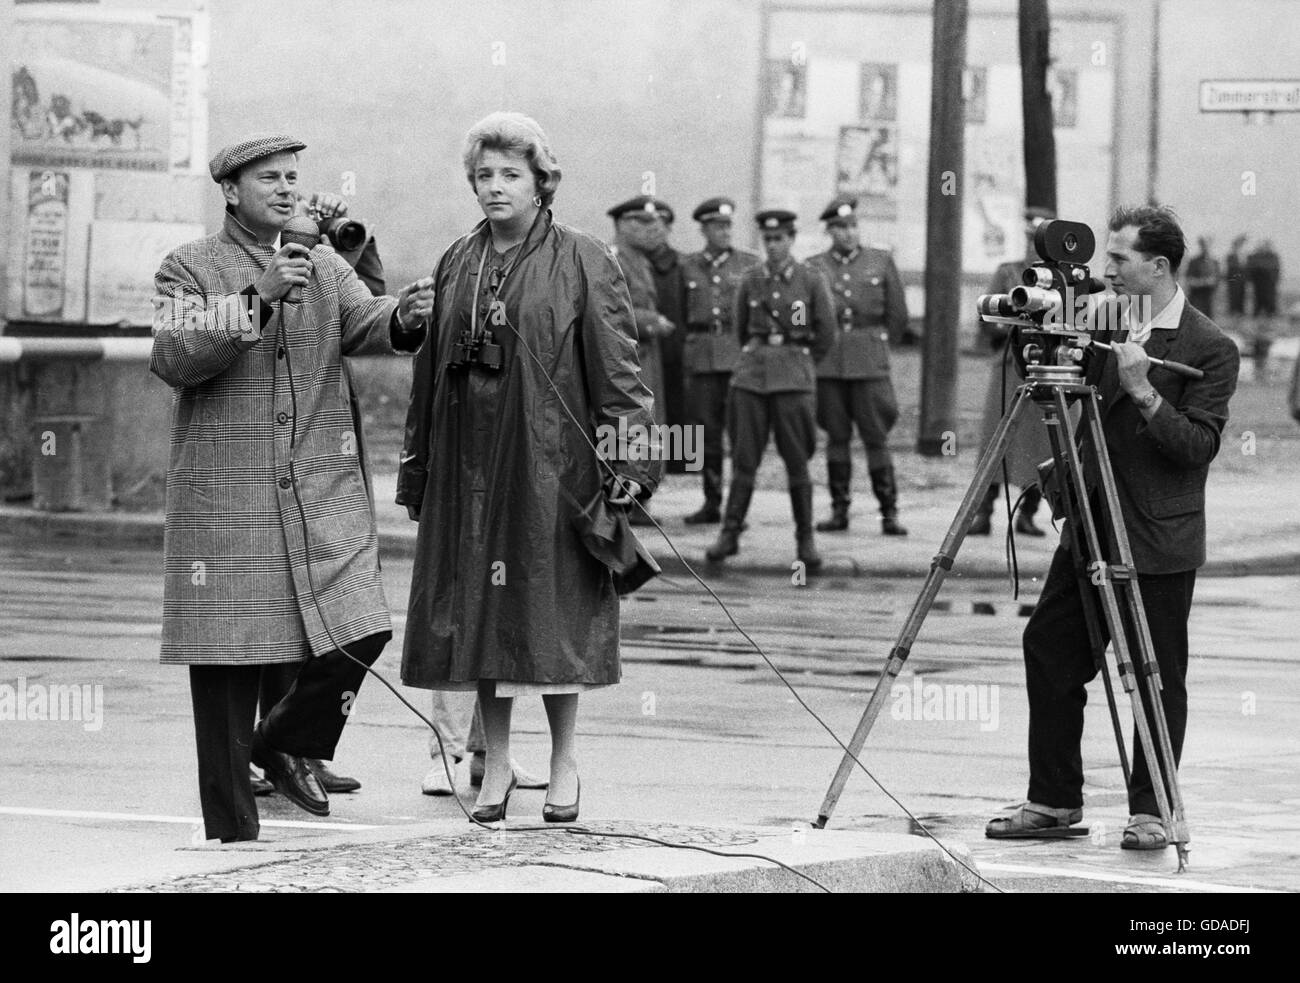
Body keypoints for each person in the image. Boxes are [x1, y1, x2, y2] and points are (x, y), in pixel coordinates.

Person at [150, 133, 432, 843]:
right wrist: (259, 296)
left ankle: (280, 740)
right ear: (230, 191)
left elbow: (366, 320)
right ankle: (230, 836)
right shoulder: (189, 265)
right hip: (228, 497)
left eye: (292, 177)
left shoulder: (325, 264)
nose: (284, 188)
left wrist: (406, 315)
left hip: (316, 487)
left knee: (360, 623)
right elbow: (175, 354)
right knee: (227, 668)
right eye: (268, 177)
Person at [397, 112, 660, 824]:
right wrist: (418, 474)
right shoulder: (456, 261)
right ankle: (499, 765)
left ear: (543, 181)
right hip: (469, 474)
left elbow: (621, 375)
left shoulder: (583, 258)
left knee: (552, 617)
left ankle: (565, 759)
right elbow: (427, 377)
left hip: (553, 471)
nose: (494, 187)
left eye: (510, 173)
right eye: (483, 175)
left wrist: (629, 458)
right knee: (478, 618)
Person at [986, 205, 1239, 850]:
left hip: (1155, 535)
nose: (1108, 271)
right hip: (1092, 523)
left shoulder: (1209, 347)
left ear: (1157, 265)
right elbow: (1067, 400)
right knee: (1049, 648)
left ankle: (1153, 809)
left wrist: (1146, 390)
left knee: (1153, 673)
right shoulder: (1104, 317)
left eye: (1120, 259)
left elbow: (1197, 446)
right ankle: (1053, 801)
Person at [706, 209, 835, 570]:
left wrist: (802, 362)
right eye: (768, 239)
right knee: (744, 460)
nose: (774, 245)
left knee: (797, 462)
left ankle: (805, 540)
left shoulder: (810, 279)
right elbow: (741, 329)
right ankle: (729, 534)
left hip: (793, 378)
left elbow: (826, 331)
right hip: (751, 378)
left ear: (792, 240)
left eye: (780, 239)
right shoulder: (750, 280)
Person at [808, 194, 910, 535]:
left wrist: (878, 346)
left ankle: (889, 513)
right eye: (840, 228)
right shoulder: (814, 266)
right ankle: (839, 511)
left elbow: (898, 315)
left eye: (852, 227)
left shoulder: (880, 262)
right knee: (836, 437)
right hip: (830, 363)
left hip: (869, 362)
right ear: (830, 231)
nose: (848, 234)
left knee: (876, 437)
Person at [969, 207, 1056, 537]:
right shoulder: (1007, 273)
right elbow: (985, 317)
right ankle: (983, 512)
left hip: (1044, 370)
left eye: (1039, 241)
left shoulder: (1061, 279)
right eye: (1029, 240)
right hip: (1009, 368)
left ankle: (1028, 512)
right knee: (996, 441)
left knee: (1040, 447)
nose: (1033, 247)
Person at [679, 197, 761, 524]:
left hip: (738, 355)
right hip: (700, 356)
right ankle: (712, 502)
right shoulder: (688, 266)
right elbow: (680, 309)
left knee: (741, 434)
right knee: (704, 433)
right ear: (704, 229)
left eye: (728, 226)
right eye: (717, 226)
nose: (724, 232)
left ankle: (737, 508)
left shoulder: (750, 264)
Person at [608, 195, 676, 526]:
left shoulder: (640, 261)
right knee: (632, 427)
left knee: (650, 426)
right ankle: (628, 501)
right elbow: (611, 311)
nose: (652, 230)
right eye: (642, 223)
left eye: (653, 223)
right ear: (622, 225)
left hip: (646, 358)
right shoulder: (614, 260)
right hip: (628, 359)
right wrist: (651, 321)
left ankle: (640, 498)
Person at [1246, 239, 1281, 381]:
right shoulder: (1256, 258)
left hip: (1269, 292)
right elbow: (1252, 271)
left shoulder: (1272, 258)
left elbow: (1275, 271)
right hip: (1259, 292)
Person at [1184, 236, 1220, 319]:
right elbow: (1189, 280)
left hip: (1210, 299)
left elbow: (1218, 280)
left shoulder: (1215, 262)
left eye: (1207, 244)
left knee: (1209, 323)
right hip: (1197, 298)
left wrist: (1213, 282)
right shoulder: (1194, 262)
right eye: (1203, 245)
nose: (1206, 247)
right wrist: (1203, 282)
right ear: (1200, 246)